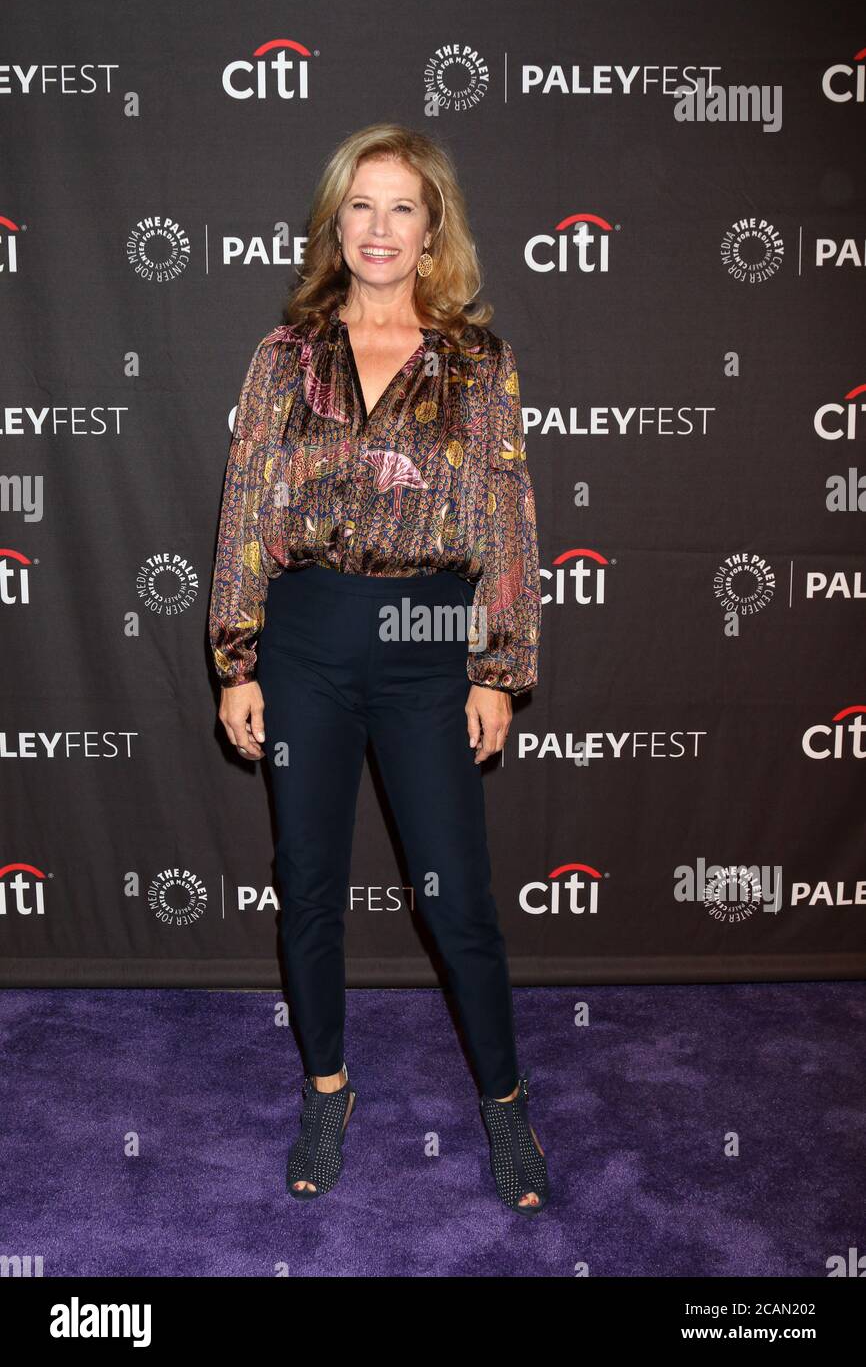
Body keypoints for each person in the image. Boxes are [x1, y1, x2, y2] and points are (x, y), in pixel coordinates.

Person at [207, 123, 548, 1216]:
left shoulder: (476, 361)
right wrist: (235, 656)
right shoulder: (283, 353)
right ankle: (326, 1090)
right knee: (306, 884)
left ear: (432, 225)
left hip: (421, 643)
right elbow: (246, 512)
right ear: (334, 222)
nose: (380, 229)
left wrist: (496, 669)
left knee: (458, 901)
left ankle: (503, 1106)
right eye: (361, 205)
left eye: (403, 207)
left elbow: (505, 517)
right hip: (304, 633)